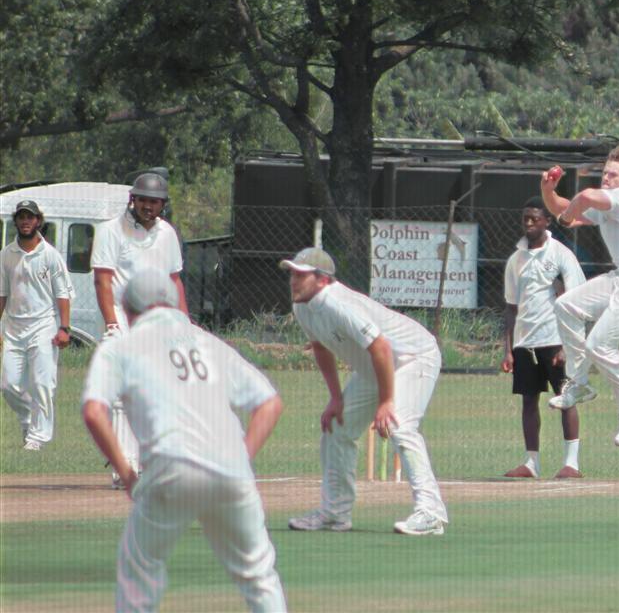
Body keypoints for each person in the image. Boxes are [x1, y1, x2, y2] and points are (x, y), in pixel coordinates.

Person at [81, 269, 287, 612]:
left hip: (171, 464)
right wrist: (241, 458)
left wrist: (126, 472)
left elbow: (93, 412)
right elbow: (270, 403)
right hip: (232, 470)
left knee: (140, 575)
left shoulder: (121, 347)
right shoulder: (208, 342)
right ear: (174, 303)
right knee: (259, 575)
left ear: (129, 312)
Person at [281, 247, 448, 536]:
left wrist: (386, 401)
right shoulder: (301, 307)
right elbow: (321, 347)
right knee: (336, 427)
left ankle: (431, 513)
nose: (294, 281)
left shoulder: (337, 303)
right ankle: (335, 514)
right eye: (293, 274)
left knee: (400, 426)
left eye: (301, 275)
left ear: (322, 280)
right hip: (376, 369)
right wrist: (335, 398)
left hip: (414, 356)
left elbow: (380, 346)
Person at [541, 145, 619, 447]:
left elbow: (582, 199)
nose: (606, 178)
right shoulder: (609, 204)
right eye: (604, 174)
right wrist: (547, 190)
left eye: (612, 175)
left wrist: (569, 213)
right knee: (566, 306)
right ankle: (579, 383)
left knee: (600, 344)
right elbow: (565, 209)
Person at [91, 171, 187, 483]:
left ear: (163, 204)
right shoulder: (111, 231)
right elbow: (103, 280)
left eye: (155, 201)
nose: (148, 206)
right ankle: (126, 465)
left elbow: (174, 280)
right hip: (121, 317)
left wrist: (184, 323)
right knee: (121, 391)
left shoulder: (167, 234)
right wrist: (111, 323)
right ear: (133, 199)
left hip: (157, 320)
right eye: (143, 200)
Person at [502, 196, 587, 479]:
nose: (529, 223)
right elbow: (511, 307)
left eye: (534, 218)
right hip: (525, 341)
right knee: (528, 400)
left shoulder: (561, 254)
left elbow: (576, 300)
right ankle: (531, 463)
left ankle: (571, 464)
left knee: (566, 397)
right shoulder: (516, 260)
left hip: (556, 339)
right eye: (525, 218)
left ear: (546, 221)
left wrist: (568, 344)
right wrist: (508, 349)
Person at [0, 200, 74, 451]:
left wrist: (64, 328)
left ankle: (38, 437)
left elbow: (63, 293)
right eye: (21, 217)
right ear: (16, 221)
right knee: (8, 385)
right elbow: (2, 293)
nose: (25, 221)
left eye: (30, 217)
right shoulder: (6, 254)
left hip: (43, 325)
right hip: (13, 328)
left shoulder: (50, 255)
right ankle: (29, 419)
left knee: (43, 383)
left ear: (38, 221)